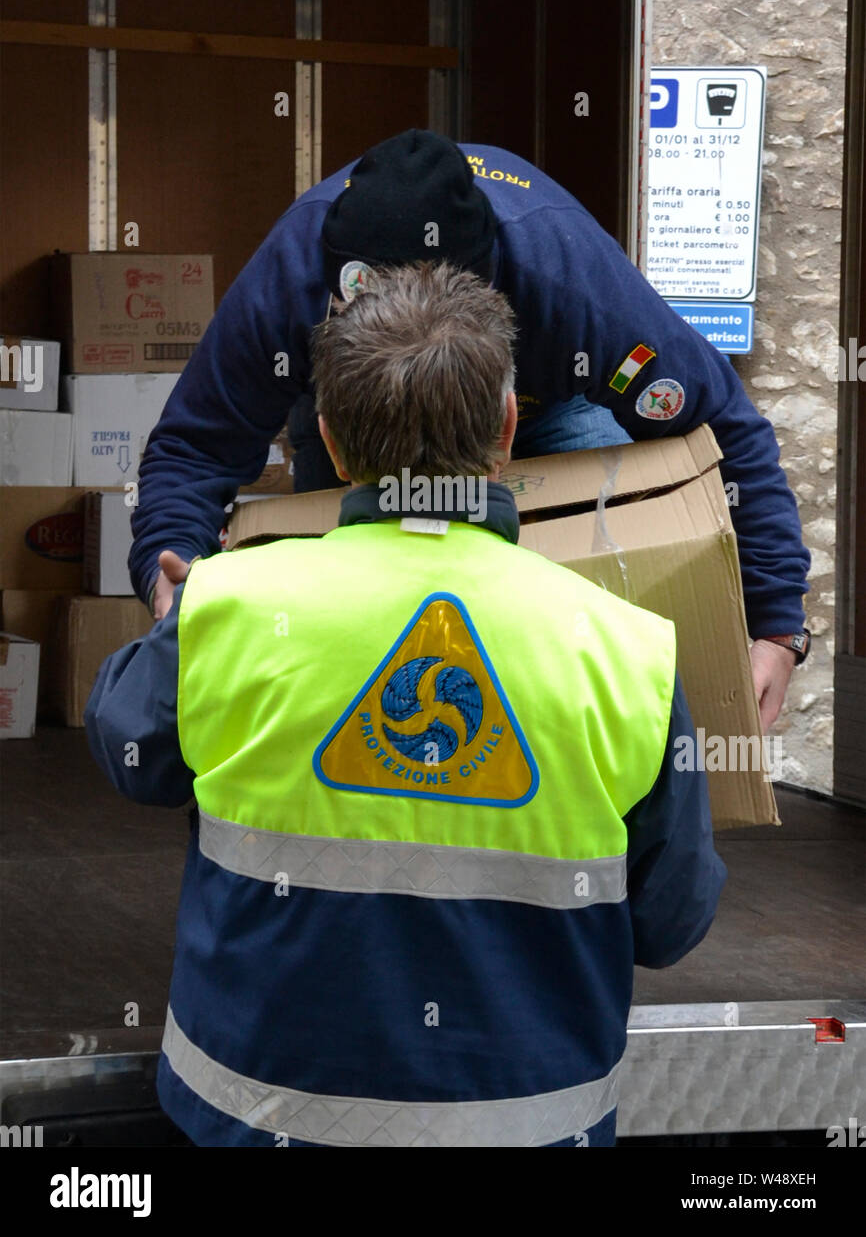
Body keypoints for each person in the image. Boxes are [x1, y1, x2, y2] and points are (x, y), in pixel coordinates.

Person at [87, 262, 726, 1149]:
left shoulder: (230, 607)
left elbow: (128, 749)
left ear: (329, 441)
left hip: (255, 1122)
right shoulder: (627, 650)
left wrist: (179, 622)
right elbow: (671, 920)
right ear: (507, 429)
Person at [131, 129, 811, 728]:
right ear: (338, 291)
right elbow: (196, 444)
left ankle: (552, 737)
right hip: (353, 414)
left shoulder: (572, 290)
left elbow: (725, 428)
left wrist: (775, 628)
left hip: (552, 407)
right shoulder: (287, 282)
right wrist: (171, 569)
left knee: (568, 593)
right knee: (356, 607)